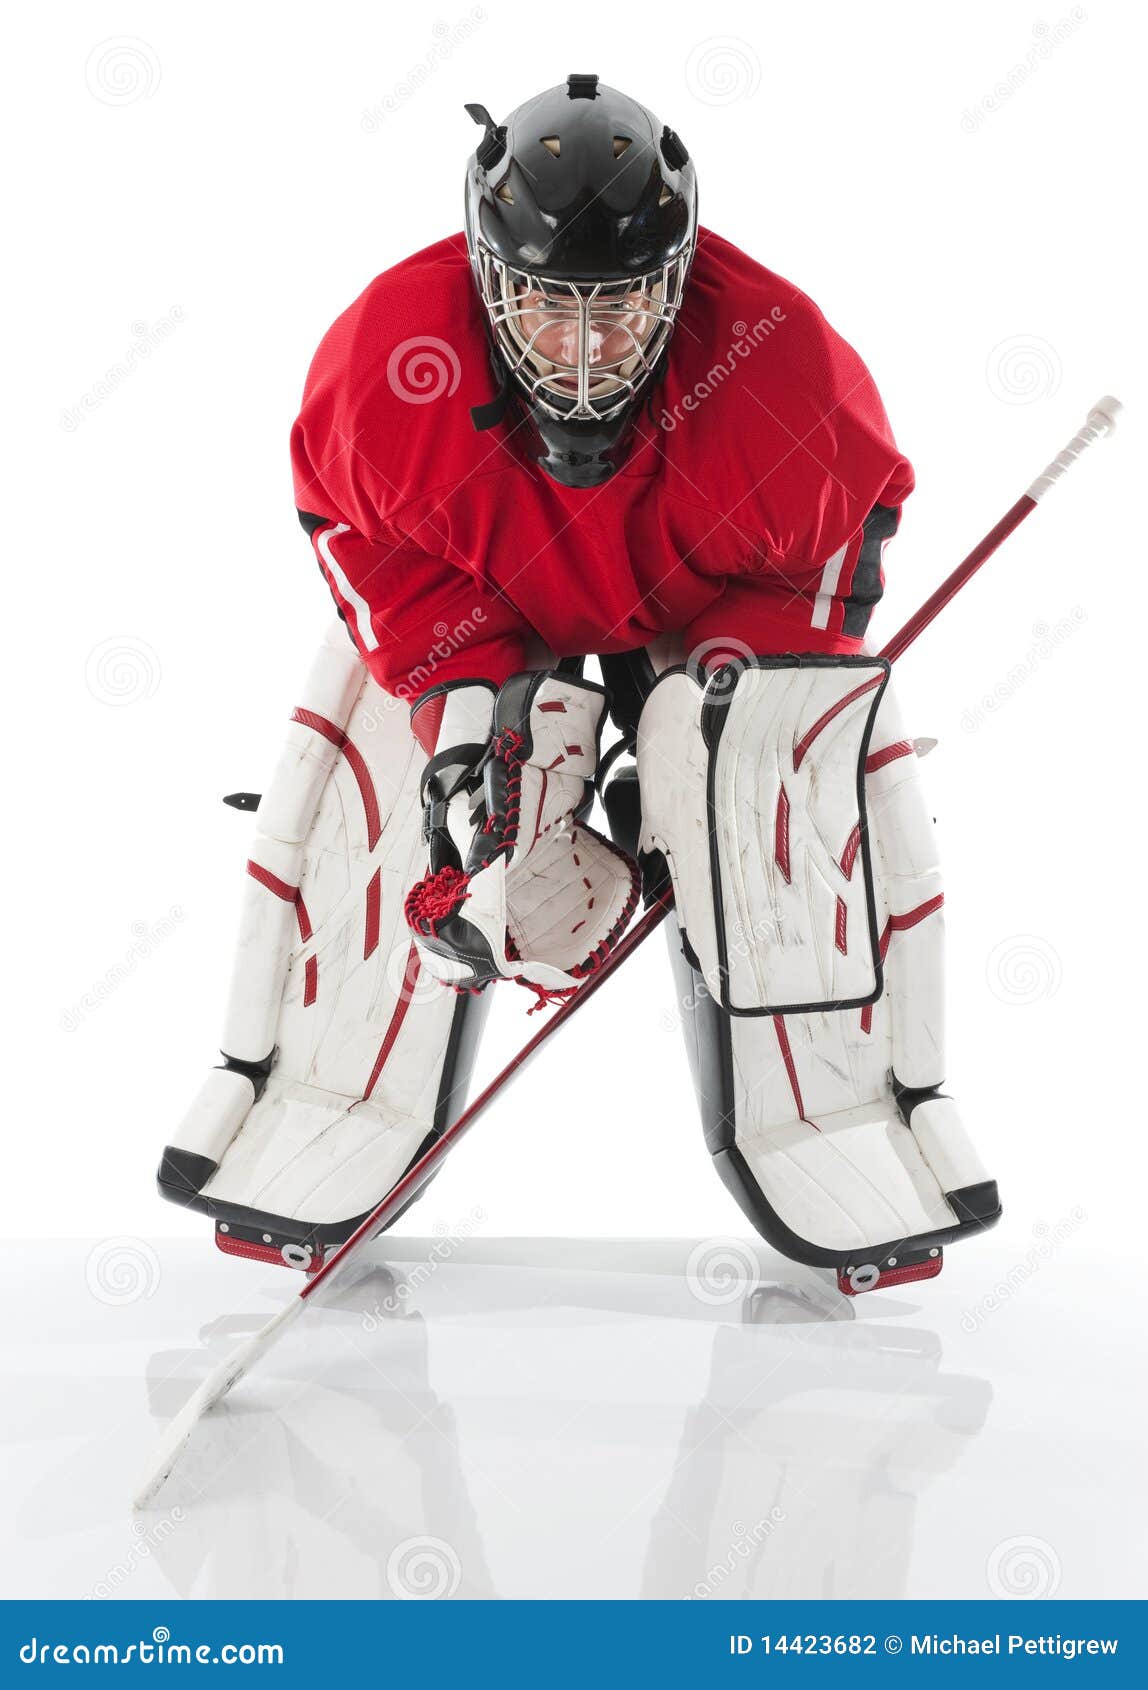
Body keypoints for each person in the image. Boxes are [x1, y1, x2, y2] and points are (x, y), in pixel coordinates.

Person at [158, 77, 998, 1293]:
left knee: (770, 821)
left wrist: (713, 732)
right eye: (551, 306)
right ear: (487, 277)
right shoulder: (388, 362)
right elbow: (352, 532)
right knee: (401, 829)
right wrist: (468, 710)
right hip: (486, 595)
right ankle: (304, 1090)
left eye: (622, 306)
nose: (589, 349)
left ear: (679, 282)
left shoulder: (777, 369)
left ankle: (858, 1116)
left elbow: (838, 541)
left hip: (697, 605)